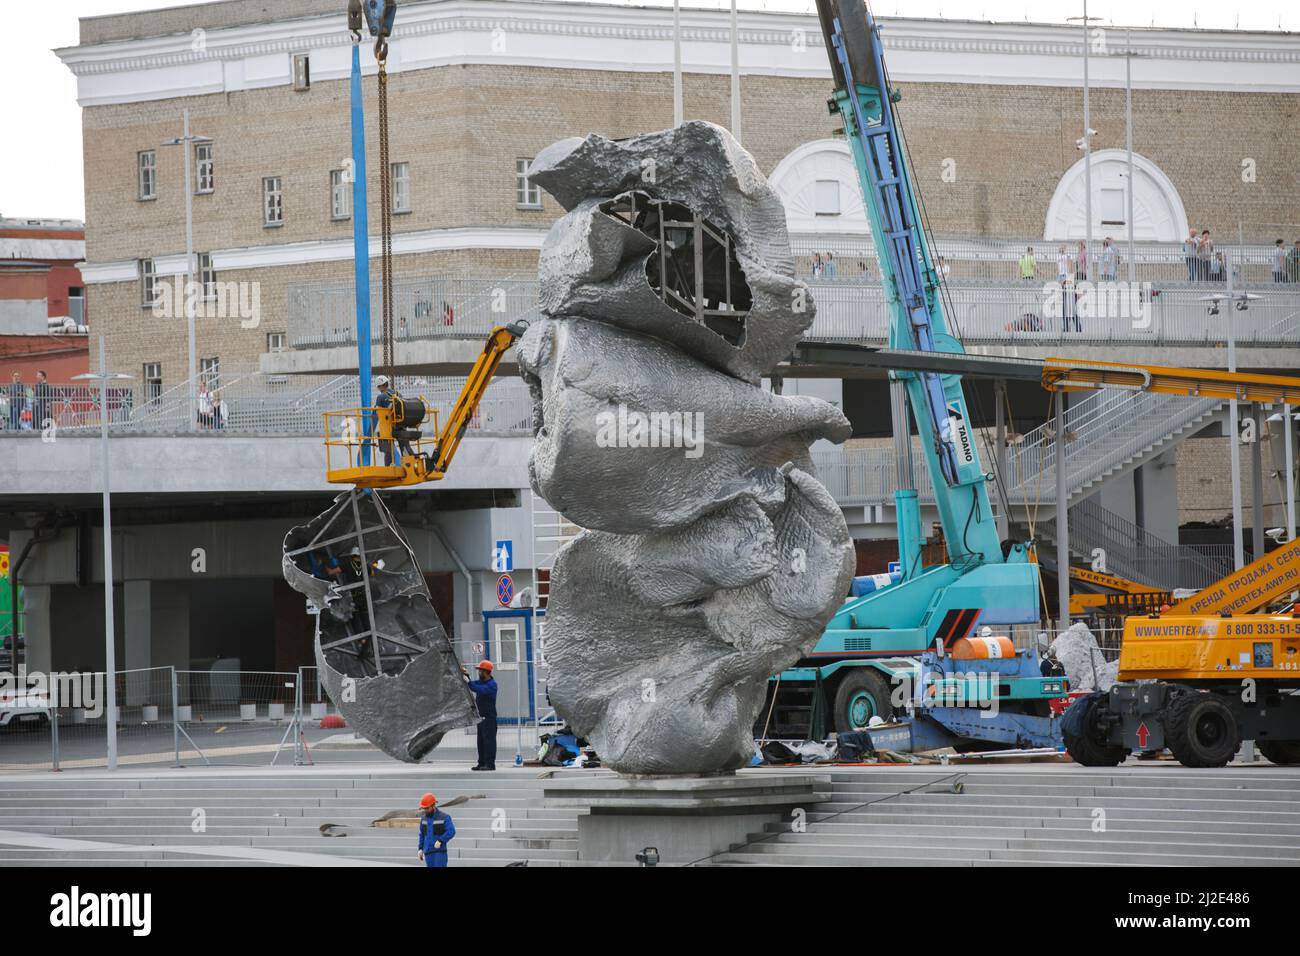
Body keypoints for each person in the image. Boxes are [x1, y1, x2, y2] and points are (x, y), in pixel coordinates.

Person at [465, 659, 498, 771]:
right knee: (481, 741)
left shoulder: (492, 685)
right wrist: (467, 676)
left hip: (489, 718)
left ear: (486, 672)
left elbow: (476, 688)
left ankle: (490, 764)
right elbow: (474, 684)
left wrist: (468, 682)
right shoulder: (482, 682)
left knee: (489, 741)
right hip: (481, 718)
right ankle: (481, 763)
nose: (479, 673)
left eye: (480, 671)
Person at [416, 793, 455, 868]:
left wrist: (441, 840)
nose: (425, 810)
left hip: (439, 853)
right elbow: (422, 834)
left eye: (427, 808)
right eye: (424, 808)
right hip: (428, 852)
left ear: (433, 805)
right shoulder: (423, 819)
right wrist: (420, 849)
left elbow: (451, 831)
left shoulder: (444, 817)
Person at [374, 375, 399, 466]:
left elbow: (377, 412)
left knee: (387, 449)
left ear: (380, 386)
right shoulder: (397, 393)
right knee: (404, 446)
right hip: (399, 424)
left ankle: (388, 466)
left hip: (387, 426)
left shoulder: (380, 397)